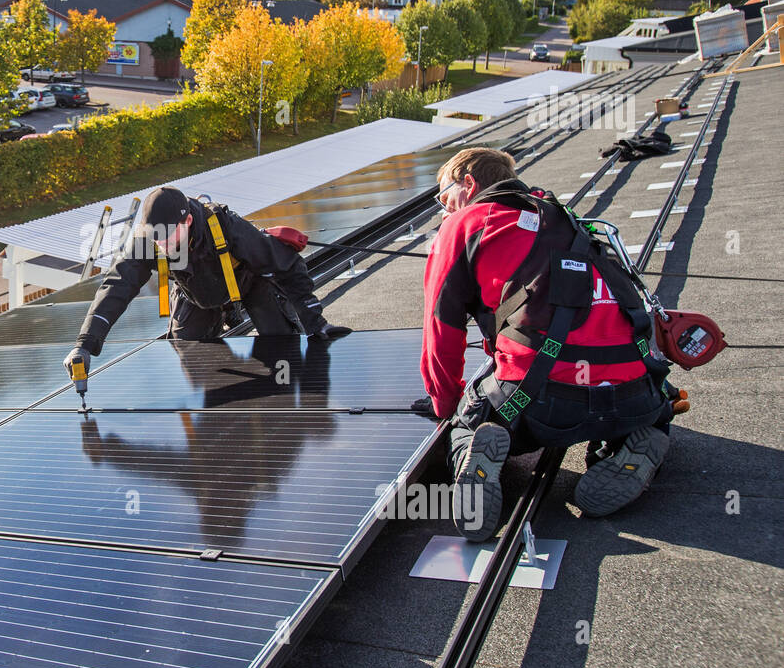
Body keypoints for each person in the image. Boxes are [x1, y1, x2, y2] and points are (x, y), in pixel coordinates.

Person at [420, 148, 673, 542]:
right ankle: (631, 444)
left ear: (468, 184)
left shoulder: (464, 225)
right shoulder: (565, 218)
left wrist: (445, 404)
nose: (444, 208)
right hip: (633, 392)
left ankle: (473, 446)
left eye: (444, 196)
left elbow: (442, 331)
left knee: (469, 422)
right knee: (648, 411)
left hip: (540, 402)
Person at [64, 186, 349, 379]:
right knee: (193, 360)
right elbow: (117, 286)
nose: (160, 245)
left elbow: (288, 266)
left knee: (281, 350)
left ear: (187, 222)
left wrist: (316, 322)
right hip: (196, 294)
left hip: (247, 286)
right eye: (155, 238)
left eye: (166, 237)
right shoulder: (148, 240)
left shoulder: (225, 227)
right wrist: (84, 345)